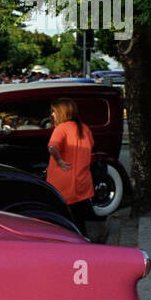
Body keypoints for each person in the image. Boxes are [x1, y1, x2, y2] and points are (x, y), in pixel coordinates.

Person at [46, 97, 95, 234]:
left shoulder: (61, 128)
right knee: (80, 222)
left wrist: (59, 161)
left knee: (65, 224)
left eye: (54, 112)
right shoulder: (84, 128)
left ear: (62, 112)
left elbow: (52, 147)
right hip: (82, 182)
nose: (52, 115)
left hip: (64, 185)